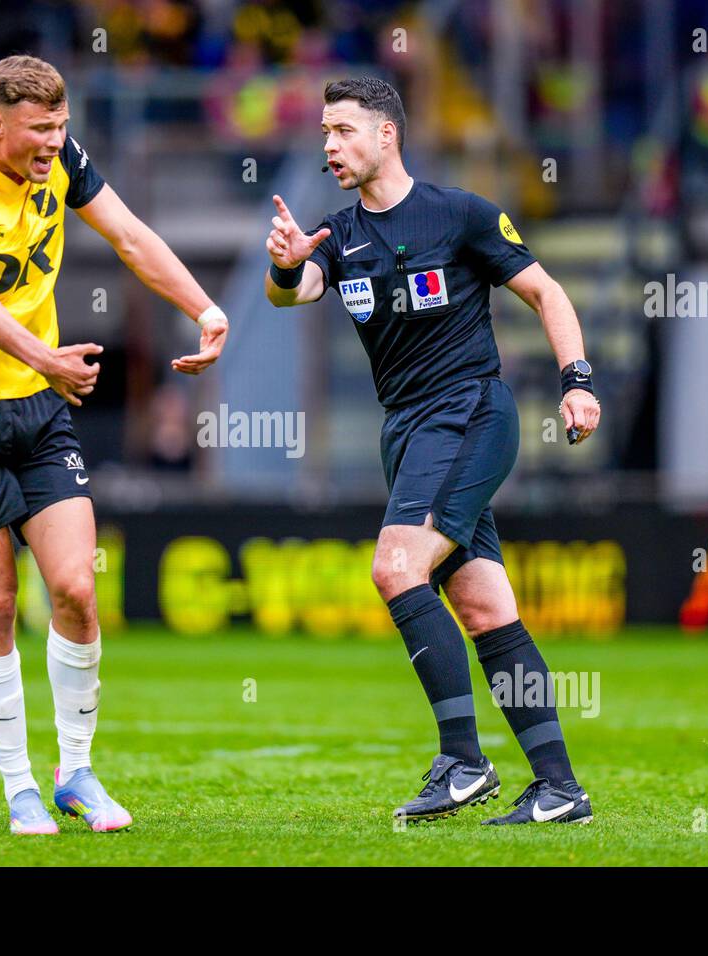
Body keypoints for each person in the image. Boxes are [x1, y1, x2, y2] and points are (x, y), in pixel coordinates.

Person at [264, 76, 599, 826]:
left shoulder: (461, 215)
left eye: (343, 131)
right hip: (408, 432)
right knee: (484, 609)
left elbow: (548, 293)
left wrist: (578, 381)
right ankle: (559, 788)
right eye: (323, 133)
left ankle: (463, 762)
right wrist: (287, 260)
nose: (329, 147)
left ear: (387, 134)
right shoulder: (339, 234)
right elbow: (293, 294)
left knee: (395, 567)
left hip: (470, 415)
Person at [0, 55, 229, 835]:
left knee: (78, 590)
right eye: (40, 129)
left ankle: (76, 772)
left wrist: (203, 305)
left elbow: (127, 234)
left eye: (61, 126)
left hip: (39, 414)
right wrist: (44, 357)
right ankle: (18, 785)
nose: (55, 141)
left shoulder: (65, 161)